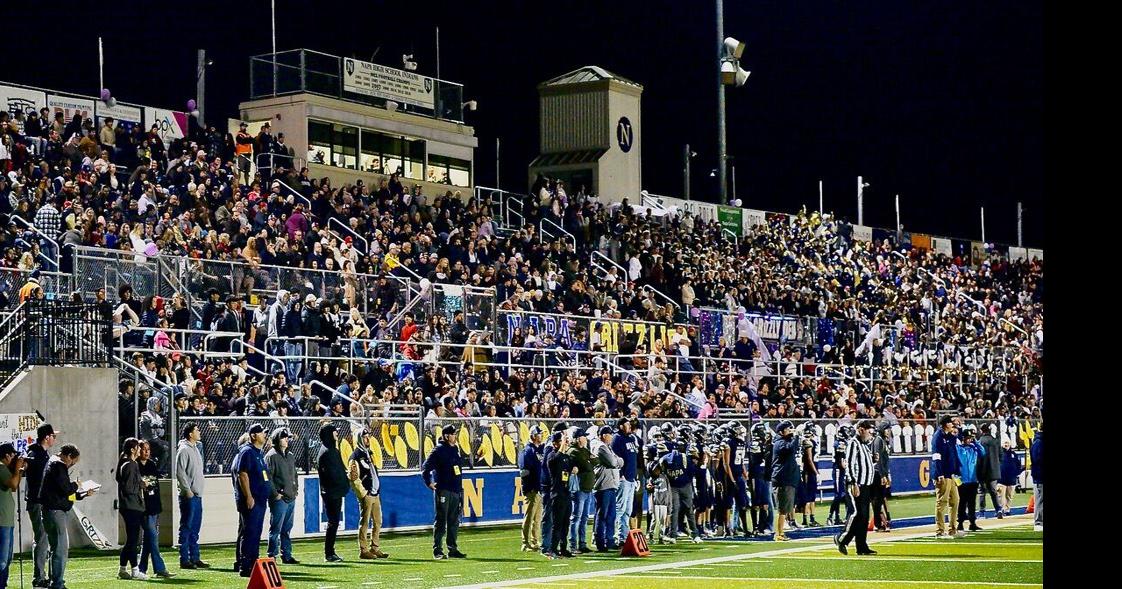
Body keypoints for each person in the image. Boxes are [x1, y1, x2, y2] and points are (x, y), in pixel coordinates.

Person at [39, 444, 96, 589]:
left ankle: (54, 581)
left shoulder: (52, 462)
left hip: (51, 510)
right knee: (61, 549)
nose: (71, 465)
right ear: (68, 456)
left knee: (55, 548)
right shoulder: (59, 465)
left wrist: (81, 495)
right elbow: (66, 489)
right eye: (72, 461)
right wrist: (77, 485)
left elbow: (63, 494)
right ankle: (57, 583)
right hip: (56, 512)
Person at [422, 425, 466, 560]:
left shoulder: (455, 449)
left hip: (455, 489)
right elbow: (425, 467)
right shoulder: (438, 450)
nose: (455, 436)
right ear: (446, 436)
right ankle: (438, 550)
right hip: (444, 489)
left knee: (454, 521)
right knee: (441, 520)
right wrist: (429, 482)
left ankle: (452, 548)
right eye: (453, 434)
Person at [233, 424, 271, 577]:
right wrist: (248, 496)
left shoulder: (258, 453)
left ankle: (253, 562)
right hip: (252, 500)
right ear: (253, 435)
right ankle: (246, 565)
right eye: (262, 433)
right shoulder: (247, 452)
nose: (264, 435)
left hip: (260, 499)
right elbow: (243, 474)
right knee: (249, 532)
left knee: (255, 532)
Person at [834, 420, 877, 556]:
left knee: (864, 517)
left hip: (865, 484)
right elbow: (851, 464)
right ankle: (841, 538)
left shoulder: (864, 445)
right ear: (861, 429)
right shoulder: (854, 443)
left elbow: (864, 463)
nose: (870, 434)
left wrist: (873, 460)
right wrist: (853, 482)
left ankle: (862, 546)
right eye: (868, 431)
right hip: (856, 484)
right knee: (856, 514)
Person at [25, 423, 59, 587]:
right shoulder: (37, 455)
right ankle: (39, 577)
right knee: (42, 539)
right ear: (47, 437)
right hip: (38, 502)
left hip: (39, 501)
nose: (54, 439)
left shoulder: (39, 453)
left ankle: (41, 575)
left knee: (42, 539)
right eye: (53, 436)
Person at [349, 428, 388, 559]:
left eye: (368, 437)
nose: (368, 439)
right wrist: (363, 493)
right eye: (365, 437)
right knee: (365, 522)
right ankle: (363, 549)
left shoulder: (370, 453)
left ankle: (375, 547)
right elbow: (354, 477)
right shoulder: (355, 457)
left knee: (378, 521)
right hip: (367, 494)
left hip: (375, 493)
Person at [136, 440, 173, 578]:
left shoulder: (151, 464)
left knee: (148, 540)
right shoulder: (135, 466)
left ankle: (142, 568)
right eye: (143, 449)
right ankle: (160, 568)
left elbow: (154, 485)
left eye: (148, 449)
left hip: (154, 505)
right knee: (153, 537)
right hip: (144, 508)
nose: (146, 452)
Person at [175, 422, 208, 570]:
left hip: (197, 494)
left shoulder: (195, 448)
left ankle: (195, 557)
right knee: (187, 526)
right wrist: (187, 490)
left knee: (195, 527)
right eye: (196, 430)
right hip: (189, 495)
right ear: (190, 434)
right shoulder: (184, 450)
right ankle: (184, 558)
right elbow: (180, 472)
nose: (199, 432)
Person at [315, 423, 349, 562]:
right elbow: (334, 474)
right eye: (335, 431)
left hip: (333, 491)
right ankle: (329, 553)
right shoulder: (328, 452)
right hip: (332, 492)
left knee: (333, 522)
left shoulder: (330, 450)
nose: (337, 434)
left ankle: (330, 552)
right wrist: (345, 483)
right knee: (333, 522)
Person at [266, 427, 300, 564]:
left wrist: (295, 489)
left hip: (290, 496)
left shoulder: (290, 455)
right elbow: (268, 477)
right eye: (284, 436)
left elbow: (295, 475)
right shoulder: (271, 456)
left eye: (287, 437)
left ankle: (286, 554)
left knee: (286, 529)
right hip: (280, 499)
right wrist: (275, 494)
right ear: (277, 439)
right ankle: (272, 555)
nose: (287, 439)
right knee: (276, 528)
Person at [116, 438, 147, 580]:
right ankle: (135, 570)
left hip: (128, 505)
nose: (140, 450)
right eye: (138, 448)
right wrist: (141, 485)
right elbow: (129, 488)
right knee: (133, 540)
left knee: (131, 540)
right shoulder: (130, 465)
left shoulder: (124, 463)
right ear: (132, 450)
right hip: (132, 506)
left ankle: (122, 569)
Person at [931, 415, 964, 539]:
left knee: (955, 501)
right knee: (942, 502)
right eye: (951, 423)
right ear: (945, 424)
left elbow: (954, 454)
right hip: (942, 474)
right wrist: (938, 473)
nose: (953, 425)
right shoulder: (938, 437)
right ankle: (939, 531)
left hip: (951, 474)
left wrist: (957, 471)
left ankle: (952, 529)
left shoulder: (950, 438)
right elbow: (936, 456)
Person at [592, 425, 623, 552]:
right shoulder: (600, 447)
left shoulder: (607, 447)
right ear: (604, 435)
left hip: (610, 484)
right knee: (602, 515)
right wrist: (616, 461)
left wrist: (616, 461)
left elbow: (621, 461)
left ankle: (609, 540)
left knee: (611, 515)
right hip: (603, 485)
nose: (612, 437)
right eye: (610, 434)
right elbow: (613, 462)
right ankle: (600, 542)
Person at [0, 443, 26, 589]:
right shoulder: (1, 468)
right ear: (7, 455)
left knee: (7, 558)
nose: (15, 458)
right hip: (2, 521)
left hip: (6, 520)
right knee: (2, 559)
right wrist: (17, 469)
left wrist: (20, 471)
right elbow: (13, 485)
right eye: (13, 455)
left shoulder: (5, 469)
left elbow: (14, 484)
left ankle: (3, 583)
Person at [610, 418, 639, 547]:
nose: (629, 426)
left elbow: (634, 459)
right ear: (621, 426)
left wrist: (636, 477)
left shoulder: (632, 438)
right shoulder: (617, 439)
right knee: (619, 509)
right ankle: (612, 535)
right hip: (623, 478)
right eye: (627, 424)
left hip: (631, 478)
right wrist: (620, 475)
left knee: (628, 510)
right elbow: (615, 458)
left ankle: (623, 536)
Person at [546, 431, 575, 558]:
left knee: (565, 523)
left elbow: (572, 468)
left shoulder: (566, 457)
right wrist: (563, 443)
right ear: (555, 443)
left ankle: (563, 548)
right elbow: (557, 459)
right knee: (557, 523)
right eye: (562, 441)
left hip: (566, 492)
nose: (565, 443)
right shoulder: (552, 456)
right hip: (557, 494)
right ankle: (552, 548)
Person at [771, 420, 800, 541]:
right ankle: (778, 533)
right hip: (782, 479)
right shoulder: (780, 443)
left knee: (785, 508)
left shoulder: (785, 441)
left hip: (788, 479)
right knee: (782, 509)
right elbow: (791, 448)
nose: (790, 431)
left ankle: (781, 532)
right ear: (781, 432)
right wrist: (797, 436)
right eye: (788, 429)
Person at [567, 429, 595, 553]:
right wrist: (589, 461)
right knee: (576, 517)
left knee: (584, 518)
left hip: (587, 488)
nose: (586, 439)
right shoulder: (573, 451)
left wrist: (590, 461)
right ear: (578, 438)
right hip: (580, 488)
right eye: (584, 437)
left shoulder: (584, 450)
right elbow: (588, 465)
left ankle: (582, 543)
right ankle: (573, 544)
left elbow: (595, 461)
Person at [519, 425, 544, 552]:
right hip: (532, 488)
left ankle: (535, 541)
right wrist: (531, 485)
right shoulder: (528, 451)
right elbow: (524, 471)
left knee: (537, 518)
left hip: (539, 488)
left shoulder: (539, 450)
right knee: (529, 517)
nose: (541, 435)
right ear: (533, 436)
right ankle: (525, 542)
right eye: (539, 434)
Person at [956, 426, 986, 531]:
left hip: (973, 480)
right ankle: (960, 522)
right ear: (963, 438)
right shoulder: (958, 448)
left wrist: (976, 441)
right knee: (962, 502)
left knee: (972, 502)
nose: (969, 440)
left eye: (970, 438)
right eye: (967, 438)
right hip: (963, 480)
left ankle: (972, 522)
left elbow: (983, 452)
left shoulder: (974, 448)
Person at [976, 424, 1003, 519]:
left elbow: (979, 458)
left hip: (983, 471)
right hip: (994, 470)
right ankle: (998, 509)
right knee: (993, 491)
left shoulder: (980, 442)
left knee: (982, 492)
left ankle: (982, 512)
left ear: (981, 430)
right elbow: (1001, 455)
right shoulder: (995, 441)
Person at [798, 423, 821, 528]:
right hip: (809, 472)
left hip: (810, 471)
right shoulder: (808, 443)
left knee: (812, 496)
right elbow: (809, 459)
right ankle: (806, 518)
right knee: (808, 496)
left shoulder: (808, 441)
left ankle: (811, 518)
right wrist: (816, 472)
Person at [871, 424, 893, 531]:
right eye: (886, 429)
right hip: (877, 473)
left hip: (882, 472)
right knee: (877, 499)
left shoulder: (884, 441)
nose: (888, 431)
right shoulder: (878, 440)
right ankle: (878, 523)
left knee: (881, 498)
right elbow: (878, 459)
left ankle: (881, 522)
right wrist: (882, 475)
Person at [998, 440, 1022, 517]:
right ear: (1002, 444)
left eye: (1007, 443)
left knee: (1009, 496)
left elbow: (1018, 464)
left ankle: (1007, 510)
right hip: (1001, 479)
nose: (1006, 444)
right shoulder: (999, 453)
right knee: (1001, 496)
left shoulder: (1013, 454)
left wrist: (1016, 473)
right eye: (1005, 443)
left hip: (1011, 479)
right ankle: (1001, 510)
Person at [1030, 424, 1042, 532]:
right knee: (1040, 499)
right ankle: (1038, 522)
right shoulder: (1038, 442)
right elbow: (1037, 459)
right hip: (1040, 475)